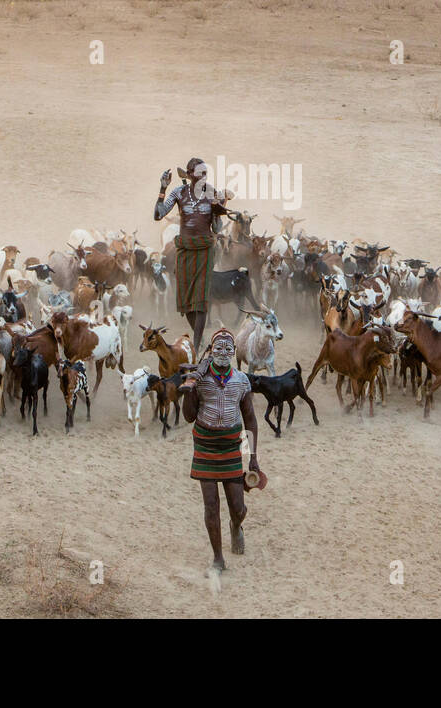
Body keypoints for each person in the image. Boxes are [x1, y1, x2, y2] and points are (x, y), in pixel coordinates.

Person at [180, 328, 261, 572]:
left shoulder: (241, 381)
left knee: (239, 507)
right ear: (210, 351)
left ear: (235, 352)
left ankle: (236, 526)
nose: (224, 352)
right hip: (205, 446)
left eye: (228, 348)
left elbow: (250, 421)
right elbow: (188, 417)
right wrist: (190, 386)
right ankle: (218, 558)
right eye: (219, 348)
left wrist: (253, 458)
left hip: (231, 447)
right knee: (211, 505)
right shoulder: (200, 379)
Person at [153, 157, 232, 355]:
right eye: (200, 174)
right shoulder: (178, 192)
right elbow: (158, 214)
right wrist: (162, 189)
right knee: (186, 301)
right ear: (189, 175)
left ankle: (196, 345)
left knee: (202, 299)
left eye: (206, 173)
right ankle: (200, 336)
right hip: (185, 250)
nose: (205, 177)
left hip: (205, 250)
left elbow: (217, 227)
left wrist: (217, 212)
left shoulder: (212, 193)